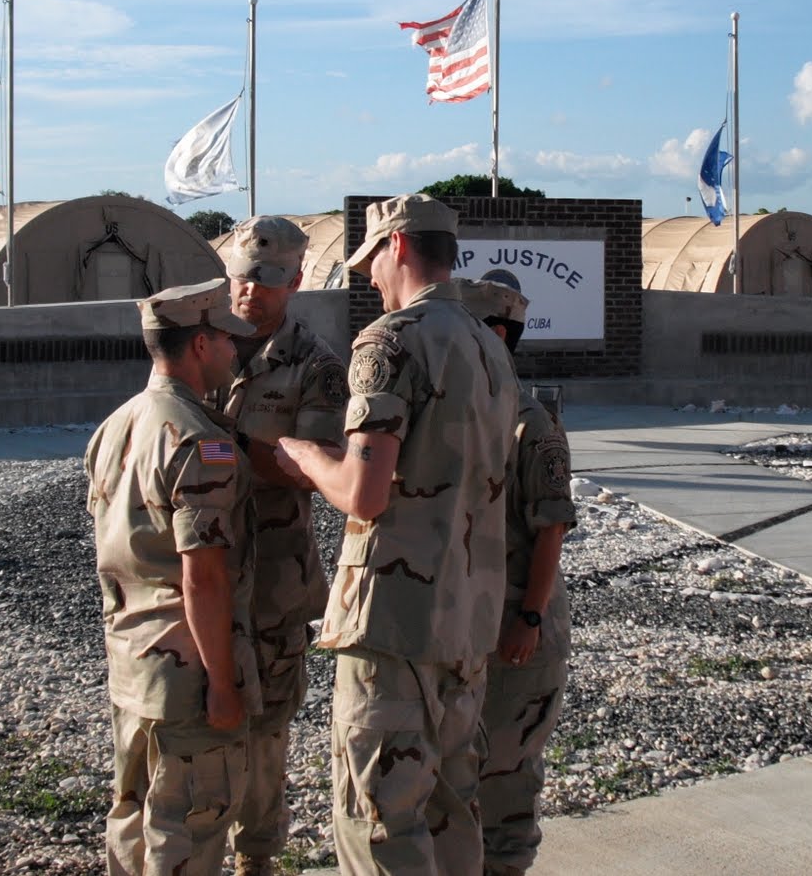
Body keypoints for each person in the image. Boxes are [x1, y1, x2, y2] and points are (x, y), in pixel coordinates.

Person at [277, 193, 519, 875]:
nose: (373, 279)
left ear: (400, 246)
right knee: (451, 808)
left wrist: (301, 455)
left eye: (373, 262)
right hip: (467, 622)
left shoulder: (389, 341)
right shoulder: (490, 348)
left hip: (393, 624)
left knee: (378, 817)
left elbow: (363, 491)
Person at [85, 278, 262, 876]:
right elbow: (203, 579)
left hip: (132, 662)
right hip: (186, 670)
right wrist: (223, 683)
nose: (235, 353)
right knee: (189, 830)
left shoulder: (114, 426)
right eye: (226, 342)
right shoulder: (199, 439)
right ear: (201, 345)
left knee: (133, 816)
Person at [217, 216, 349, 876]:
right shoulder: (204, 349)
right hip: (204, 568)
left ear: (296, 280)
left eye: (266, 281)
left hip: (273, 573)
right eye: (242, 277)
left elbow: (313, 468)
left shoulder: (317, 368)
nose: (250, 292)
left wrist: (231, 446)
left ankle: (256, 855)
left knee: (266, 723)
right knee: (201, 711)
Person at [458, 276, 575, 876]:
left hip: (520, 630)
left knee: (507, 775)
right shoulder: (469, 413)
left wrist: (529, 617)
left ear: (497, 335)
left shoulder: (532, 423)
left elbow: (551, 529)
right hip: (472, 627)